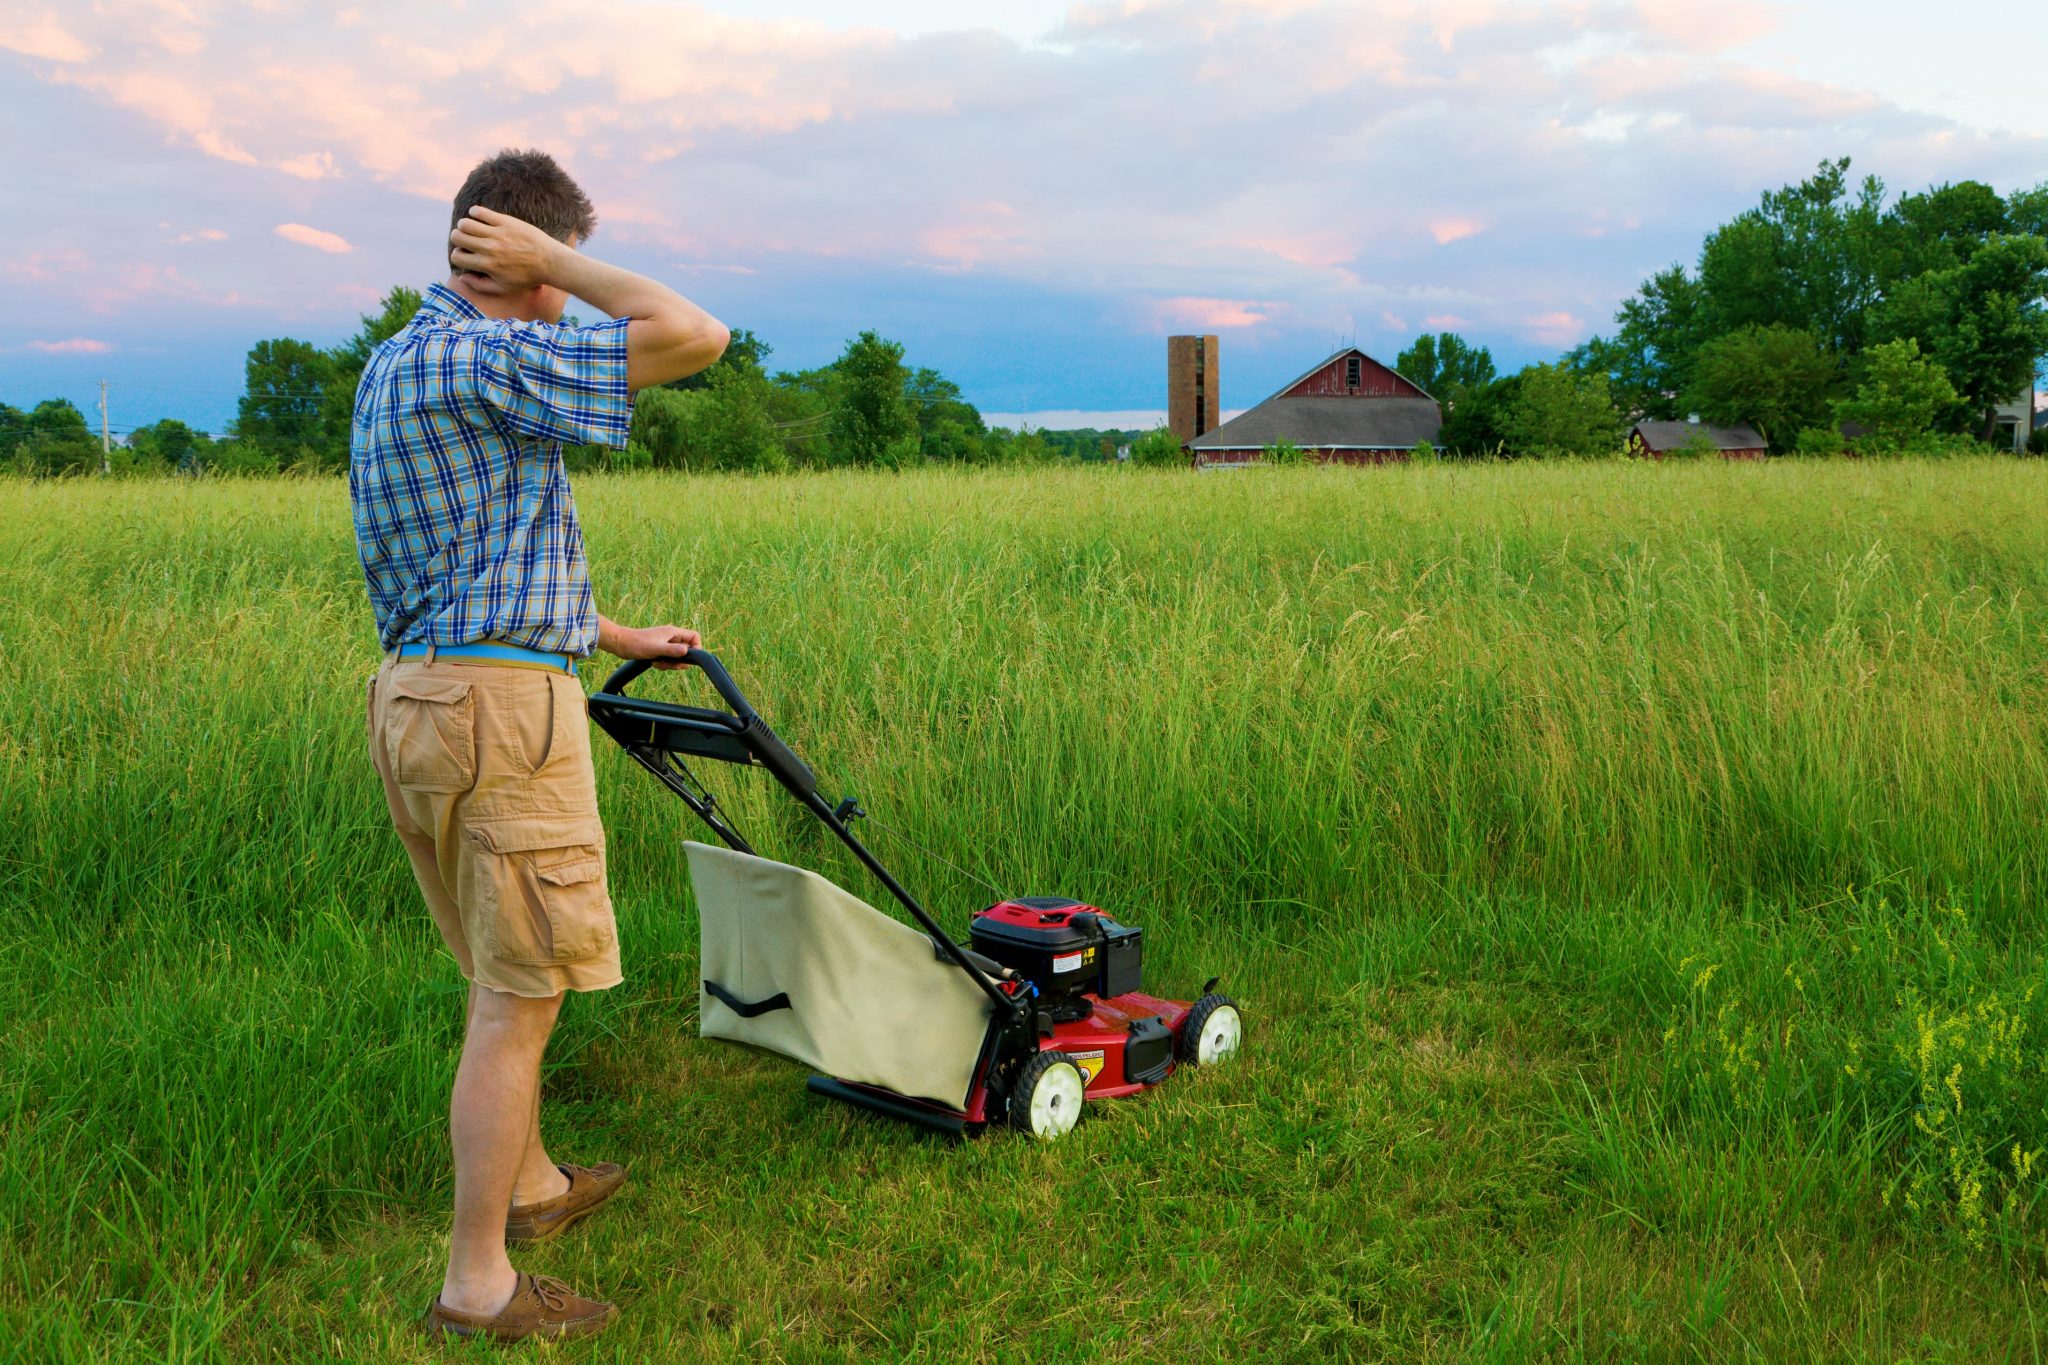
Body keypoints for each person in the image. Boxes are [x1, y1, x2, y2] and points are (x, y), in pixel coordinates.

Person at [350, 148, 729, 1344]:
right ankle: (479, 1286)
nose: (564, 297)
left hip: (420, 699)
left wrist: (611, 630)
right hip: (499, 715)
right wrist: (557, 262)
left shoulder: (398, 361)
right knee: (519, 998)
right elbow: (696, 335)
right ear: (517, 257)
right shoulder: (487, 348)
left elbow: (474, 549)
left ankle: (533, 1186)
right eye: (549, 268)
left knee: (498, 975)